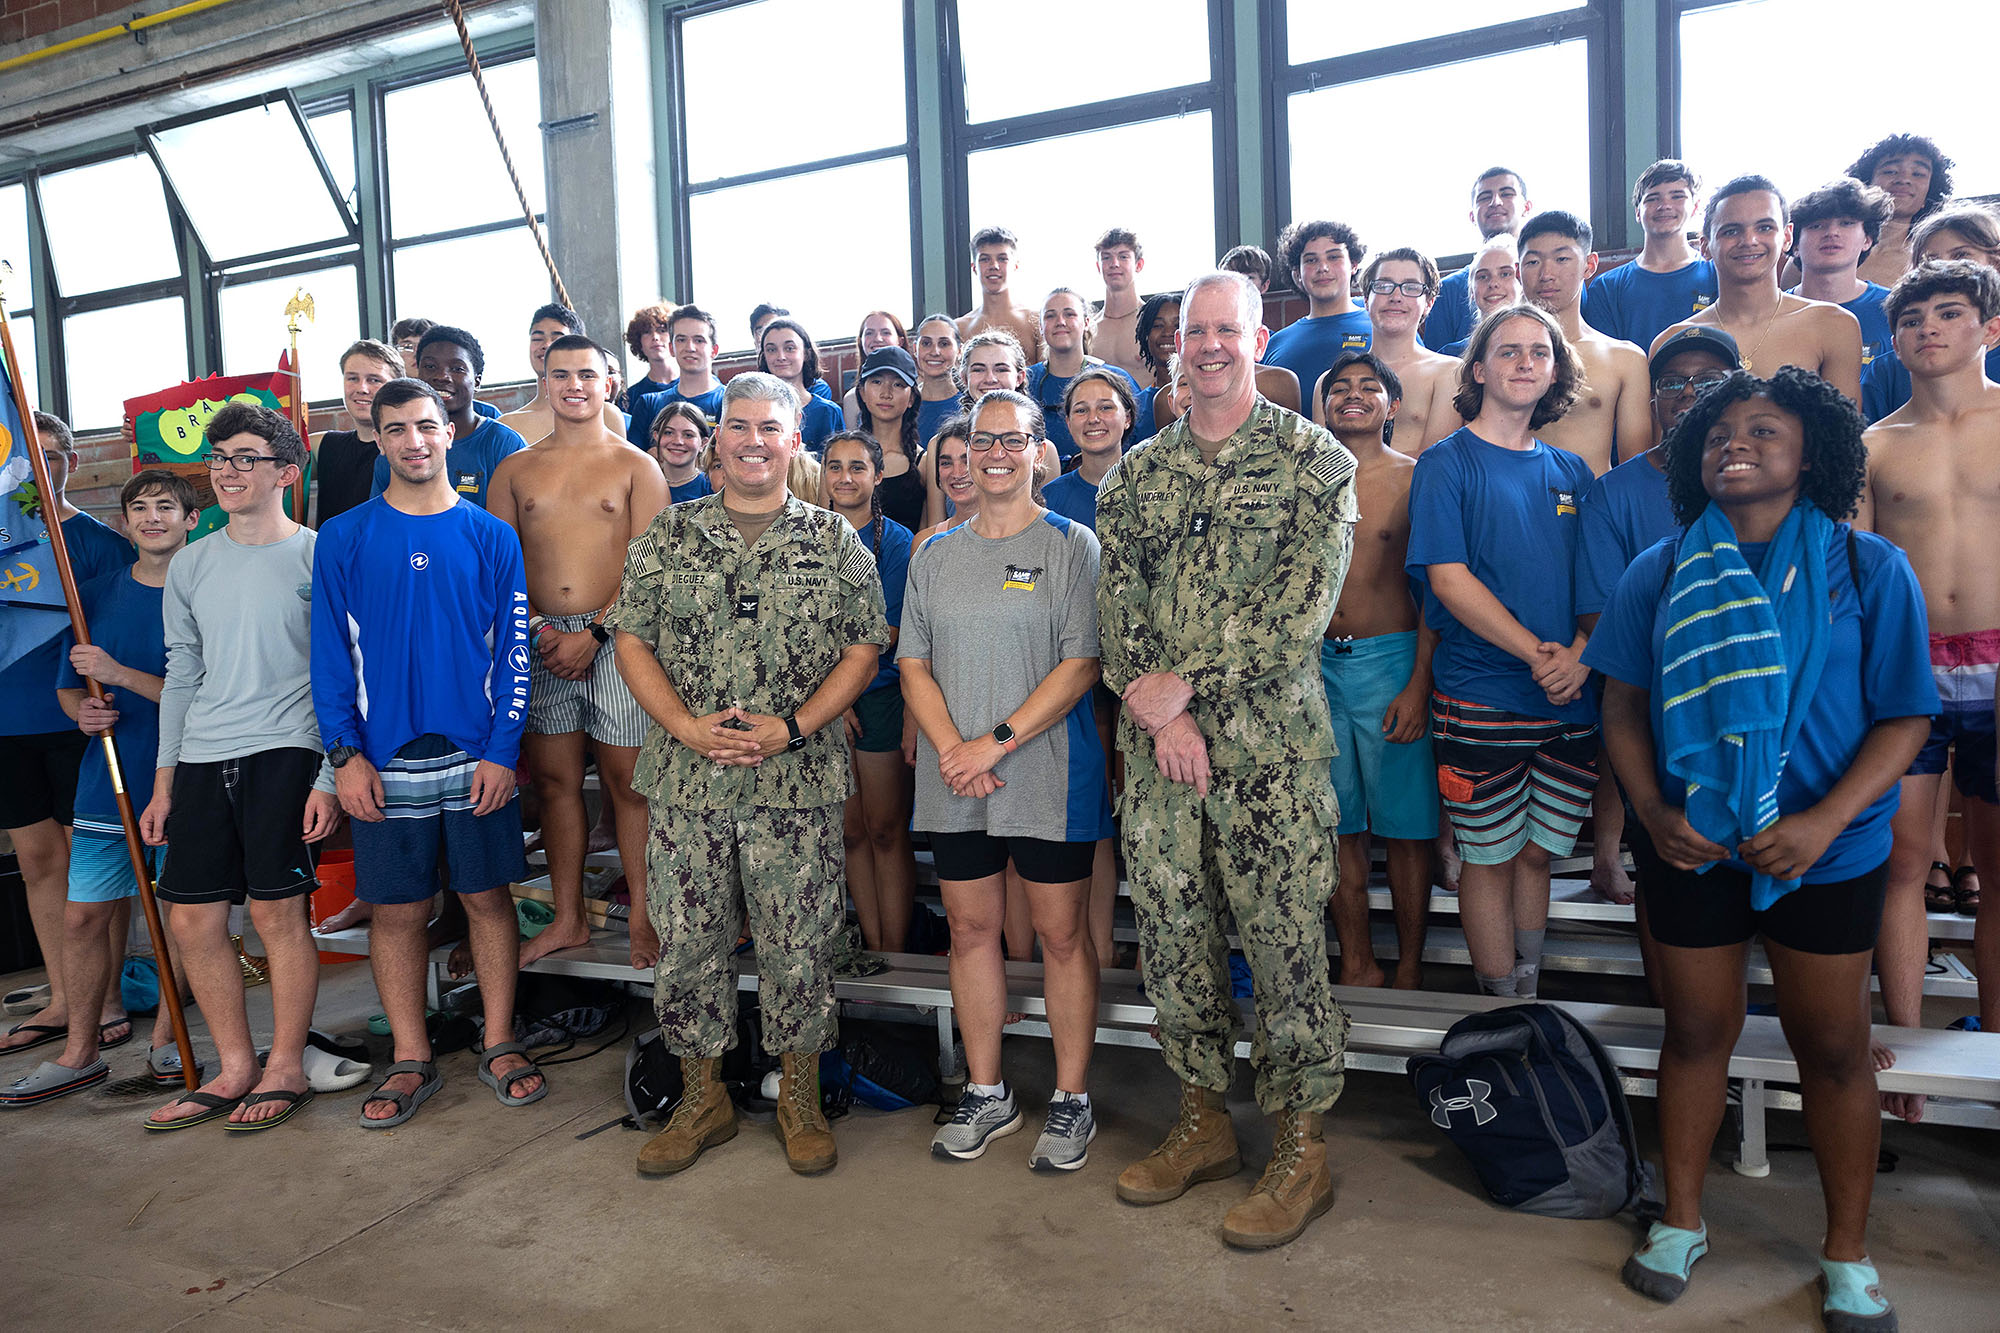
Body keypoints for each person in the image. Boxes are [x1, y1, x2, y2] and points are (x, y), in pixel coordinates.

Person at [1587, 367, 1933, 1331]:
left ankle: (1847, 1254)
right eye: (1717, 434)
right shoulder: (1660, 569)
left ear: (1813, 452)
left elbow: (1905, 715)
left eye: (1764, 428)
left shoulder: (1868, 566)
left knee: (1835, 1047)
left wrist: (1822, 822)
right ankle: (1680, 1221)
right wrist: (1651, 811)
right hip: (1693, 843)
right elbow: (1621, 703)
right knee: (1696, 1034)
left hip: (1826, 848)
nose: (1734, 442)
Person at [1097, 271, 1359, 1250]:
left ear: (1258, 340)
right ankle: (1202, 1119)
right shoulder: (1133, 478)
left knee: (1285, 946)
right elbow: (1117, 612)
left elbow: (1299, 610)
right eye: (1192, 331)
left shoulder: (1313, 461)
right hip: (1160, 760)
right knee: (1174, 939)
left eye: (1225, 329)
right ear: (1176, 348)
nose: (1207, 345)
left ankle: (1301, 1149)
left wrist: (1186, 686)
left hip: (1270, 759)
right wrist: (1159, 711)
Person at [610, 372, 890, 1178]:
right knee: (689, 942)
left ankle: (799, 1096)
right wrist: (684, 726)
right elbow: (631, 638)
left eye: (771, 427)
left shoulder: (833, 540)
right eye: (739, 425)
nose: (754, 440)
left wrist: (792, 726)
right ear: (717, 437)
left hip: (794, 784)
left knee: (799, 944)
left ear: (793, 440)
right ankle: (703, 1100)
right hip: (689, 780)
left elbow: (863, 648)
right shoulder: (669, 534)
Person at [312, 377, 545, 1127]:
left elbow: (514, 653)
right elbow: (327, 657)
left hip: (477, 753)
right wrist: (344, 755)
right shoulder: (343, 536)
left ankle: (500, 1040)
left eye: (424, 425)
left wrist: (503, 751)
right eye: (396, 429)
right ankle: (411, 1057)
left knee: (486, 898)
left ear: (449, 432)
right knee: (398, 909)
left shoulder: (491, 535)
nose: (412, 441)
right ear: (378, 440)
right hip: (382, 758)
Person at [904, 388, 1111, 1171]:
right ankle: (986, 1091)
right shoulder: (934, 553)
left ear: (1037, 450)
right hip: (955, 775)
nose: (995, 454)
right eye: (982, 441)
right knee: (969, 931)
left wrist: (992, 745)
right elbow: (914, 663)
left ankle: (1071, 1098)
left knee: (1061, 934)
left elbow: (1081, 662)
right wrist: (954, 749)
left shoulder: (1072, 544)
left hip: (1045, 772)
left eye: (1011, 440)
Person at [139, 403, 340, 1131]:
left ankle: (285, 1064)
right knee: (192, 919)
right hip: (201, 753)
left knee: (273, 912)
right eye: (219, 458)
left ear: (286, 472)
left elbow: (343, 672)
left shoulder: (320, 554)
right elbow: (182, 675)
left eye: (245, 457)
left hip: (287, 747)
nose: (227, 470)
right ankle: (234, 1067)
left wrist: (329, 774)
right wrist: (163, 783)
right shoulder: (192, 562)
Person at [1406, 303, 1597, 999]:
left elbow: (1597, 581)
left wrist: (1580, 653)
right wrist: (1538, 655)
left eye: (1540, 352)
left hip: (1568, 698)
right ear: (1480, 370)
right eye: (1509, 350)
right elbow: (1449, 580)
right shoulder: (1445, 464)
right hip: (1481, 694)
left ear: (1555, 372)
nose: (1525, 362)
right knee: (1489, 857)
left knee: (1539, 856)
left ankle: (1530, 995)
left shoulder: (1574, 471)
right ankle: (1500, 1010)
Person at [1, 471, 197, 1106]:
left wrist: (121, 675)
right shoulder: (96, 594)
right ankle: (79, 1053)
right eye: (139, 508)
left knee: (183, 920)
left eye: (165, 507)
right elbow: (70, 687)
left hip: (186, 779)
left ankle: (167, 1041)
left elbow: (210, 697)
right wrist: (82, 712)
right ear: (124, 522)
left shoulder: (206, 589)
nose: (152, 518)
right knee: (84, 916)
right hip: (106, 782)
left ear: (191, 520)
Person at [1856, 259, 2000, 1084]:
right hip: (1911, 668)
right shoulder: (1875, 444)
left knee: (1998, 867)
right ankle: (1904, 1046)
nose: (1928, 329)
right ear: (1894, 340)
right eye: (1911, 319)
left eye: (1949, 312)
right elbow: (1859, 574)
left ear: (1990, 327)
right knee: (1904, 860)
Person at [486, 336, 668, 970]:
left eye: (587, 374)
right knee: (557, 784)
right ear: (543, 378)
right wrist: (541, 629)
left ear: (609, 382)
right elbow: (501, 566)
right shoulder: (515, 470)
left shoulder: (636, 467)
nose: (574, 386)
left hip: (618, 641)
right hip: (539, 644)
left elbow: (651, 569)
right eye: (560, 373)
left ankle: (644, 915)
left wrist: (594, 633)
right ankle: (568, 918)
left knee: (630, 786)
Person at [1575, 326, 1742, 916]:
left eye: (1709, 381)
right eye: (1672, 383)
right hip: (1649, 688)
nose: (1688, 393)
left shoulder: (1763, 483)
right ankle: (1612, 855)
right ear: (1653, 400)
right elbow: (1598, 611)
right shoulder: (1613, 493)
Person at [0, 414, 135, 1060]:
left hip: (78, 721)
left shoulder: (101, 544)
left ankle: (105, 998)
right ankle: (63, 996)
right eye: (26, 458)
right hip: (7, 724)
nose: (38, 469)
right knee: (37, 862)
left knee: (95, 866)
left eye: (51, 455)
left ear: (71, 463)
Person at [1317, 353, 1438, 989]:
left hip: (1392, 661)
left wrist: (1419, 683)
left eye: (1369, 387)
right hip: (1315, 668)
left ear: (1393, 406)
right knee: (1339, 826)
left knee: (1408, 828)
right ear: (1323, 405)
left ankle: (1411, 966)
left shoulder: (1417, 478)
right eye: (1340, 387)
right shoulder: (1301, 478)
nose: (1354, 395)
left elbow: (1438, 591)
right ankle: (1357, 961)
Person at [1043, 369, 1139, 962]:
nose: (1094, 418)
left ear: (1128, 415)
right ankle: (1099, 947)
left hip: (1148, 672)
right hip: (1078, 672)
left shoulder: (1157, 478)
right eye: (1081, 408)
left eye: (1106, 406)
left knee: (1146, 807)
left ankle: (1156, 947)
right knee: (1096, 811)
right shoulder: (1051, 499)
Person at [820, 431, 917, 956]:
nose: (845, 477)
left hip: (879, 696)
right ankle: (870, 945)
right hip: (822, 702)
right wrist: (831, 702)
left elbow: (890, 629)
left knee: (884, 829)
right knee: (850, 832)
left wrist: (845, 688)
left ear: (878, 476)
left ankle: (894, 952)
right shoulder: (807, 536)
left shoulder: (896, 542)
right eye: (835, 466)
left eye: (857, 467)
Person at [1653, 176, 1862, 407]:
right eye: (1731, 231)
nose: (1749, 240)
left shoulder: (1832, 325)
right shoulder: (1674, 339)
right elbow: (1664, 430)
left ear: (1787, 236)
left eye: (1765, 228)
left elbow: (1846, 427)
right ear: (1705, 246)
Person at [1520, 210, 1653, 476]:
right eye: (1533, 262)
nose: (1546, 274)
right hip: (1514, 498)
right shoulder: (1498, 357)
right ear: (1517, 270)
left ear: (1589, 265)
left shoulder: (1625, 359)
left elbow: (1635, 470)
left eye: (1561, 259)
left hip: (1593, 499)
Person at [1860, 203, 2000, 423]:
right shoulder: (1887, 370)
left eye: (1961, 255)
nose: (1944, 266)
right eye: (1931, 260)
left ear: (1995, 262)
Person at [370, 326, 526, 511]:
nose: (442, 376)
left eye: (457, 369)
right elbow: (379, 518)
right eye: (430, 366)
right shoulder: (399, 449)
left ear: (477, 381)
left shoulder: (504, 444)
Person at [1320, 247, 1458, 453]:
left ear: (1429, 303)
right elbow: (1321, 462)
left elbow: (1437, 462)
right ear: (1366, 300)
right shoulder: (1329, 380)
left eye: (1411, 287)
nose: (1396, 296)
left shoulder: (1450, 373)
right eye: (1383, 286)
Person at [1583, 160, 1718, 352]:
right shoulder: (1606, 287)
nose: (1664, 205)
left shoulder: (1718, 275)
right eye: (1653, 198)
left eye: (1677, 196)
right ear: (1638, 212)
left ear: (1695, 208)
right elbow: (1606, 359)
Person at [1786, 180, 1896, 367]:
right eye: (1816, 226)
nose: (1832, 232)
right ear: (1794, 244)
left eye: (1846, 223)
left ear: (1867, 240)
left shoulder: (1893, 310)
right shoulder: (1772, 312)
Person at [1423, 167, 1534, 350]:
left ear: (1527, 207)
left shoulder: (1549, 280)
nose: (1495, 202)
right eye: (1484, 197)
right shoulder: (1447, 291)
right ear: (1472, 216)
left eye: (1506, 193)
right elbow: (1435, 359)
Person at [1263, 219, 1371, 402]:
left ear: (1353, 265)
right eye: (1311, 260)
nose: (1323, 268)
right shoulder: (1275, 345)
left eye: (1334, 257)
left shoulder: (1384, 330)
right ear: (1297, 273)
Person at [1028, 287, 1140, 463]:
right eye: (1050, 316)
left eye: (1069, 314)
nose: (1060, 322)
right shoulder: (1026, 381)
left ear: (1086, 322)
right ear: (1041, 327)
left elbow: (1139, 442)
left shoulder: (1116, 379)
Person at [500, 303, 629, 442]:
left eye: (557, 339)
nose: (546, 345)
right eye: (537, 339)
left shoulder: (607, 415)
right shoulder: (508, 425)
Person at [313, 339, 404, 528]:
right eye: (352, 378)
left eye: (374, 380)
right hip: (332, 547)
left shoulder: (409, 450)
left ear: (397, 387)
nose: (362, 388)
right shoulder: (324, 445)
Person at [1848, 132, 1955, 289]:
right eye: (1890, 171)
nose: (1904, 179)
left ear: (1930, 193)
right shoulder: (1830, 244)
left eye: (1918, 174)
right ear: (1866, 181)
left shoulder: (1933, 260)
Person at [626, 304, 726, 448]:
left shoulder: (729, 402)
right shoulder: (648, 404)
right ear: (671, 348)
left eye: (699, 340)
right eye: (681, 340)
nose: (690, 348)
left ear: (714, 350)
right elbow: (633, 458)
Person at [852, 345, 927, 533]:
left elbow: (932, 530)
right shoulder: (838, 456)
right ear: (862, 392)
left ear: (911, 398)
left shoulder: (923, 461)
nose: (886, 393)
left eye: (898, 384)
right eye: (877, 382)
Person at [956, 226, 1043, 363]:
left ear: (1015, 265)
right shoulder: (959, 328)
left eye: (1002, 259)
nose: (994, 266)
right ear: (974, 268)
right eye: (985, 259)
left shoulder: (1036, 322)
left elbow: (1048, 373)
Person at [757, 318, 844, 453]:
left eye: (789, 348)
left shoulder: (828, 412)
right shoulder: (756, 411)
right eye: (771, 350)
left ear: (806, 353)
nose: (781, 356)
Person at [393, 317, 498, 420]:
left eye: (457, 369)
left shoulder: (487, 413)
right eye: (407, 347)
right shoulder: (391, 410)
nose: (416, 354)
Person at [1437, 234, 1524, 357]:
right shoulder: (1449, 355)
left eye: (1505, 274)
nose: (1493, 283)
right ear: (1472, 290)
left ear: (1522, 282)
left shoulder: (1543, 345)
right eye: (1483, 276)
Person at [1092, 228, 1149, 380]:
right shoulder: (1089, 329)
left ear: (1139, 265)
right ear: (1098, 266)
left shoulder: (1152, 322)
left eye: (1123, 257)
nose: (1114, 264)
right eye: (1106, 257)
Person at [841, 311, 911, 429]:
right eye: (869, 333)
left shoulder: (919, 390)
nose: (877, 338)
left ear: (900, 341)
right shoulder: (851, 399)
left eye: (886, 332)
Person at [913, 313, 965, 449]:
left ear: (959, 350)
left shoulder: (969, 405)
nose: (935, 352)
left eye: (944, 344)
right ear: (915, 349)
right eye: (926, 343)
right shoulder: (905, 404)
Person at [649, 401, 715, 504]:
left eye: (688, 435)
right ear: (656, 437)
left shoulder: (712, 487)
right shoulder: (642, 483)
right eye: (668, 433)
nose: (678, 441)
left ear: (703, 443)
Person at [625, 302, 677, 400]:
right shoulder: (631, 396)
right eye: (647, 332)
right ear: (639, 342)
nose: (655, 337)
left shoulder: (696, 386)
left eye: (662, 330)